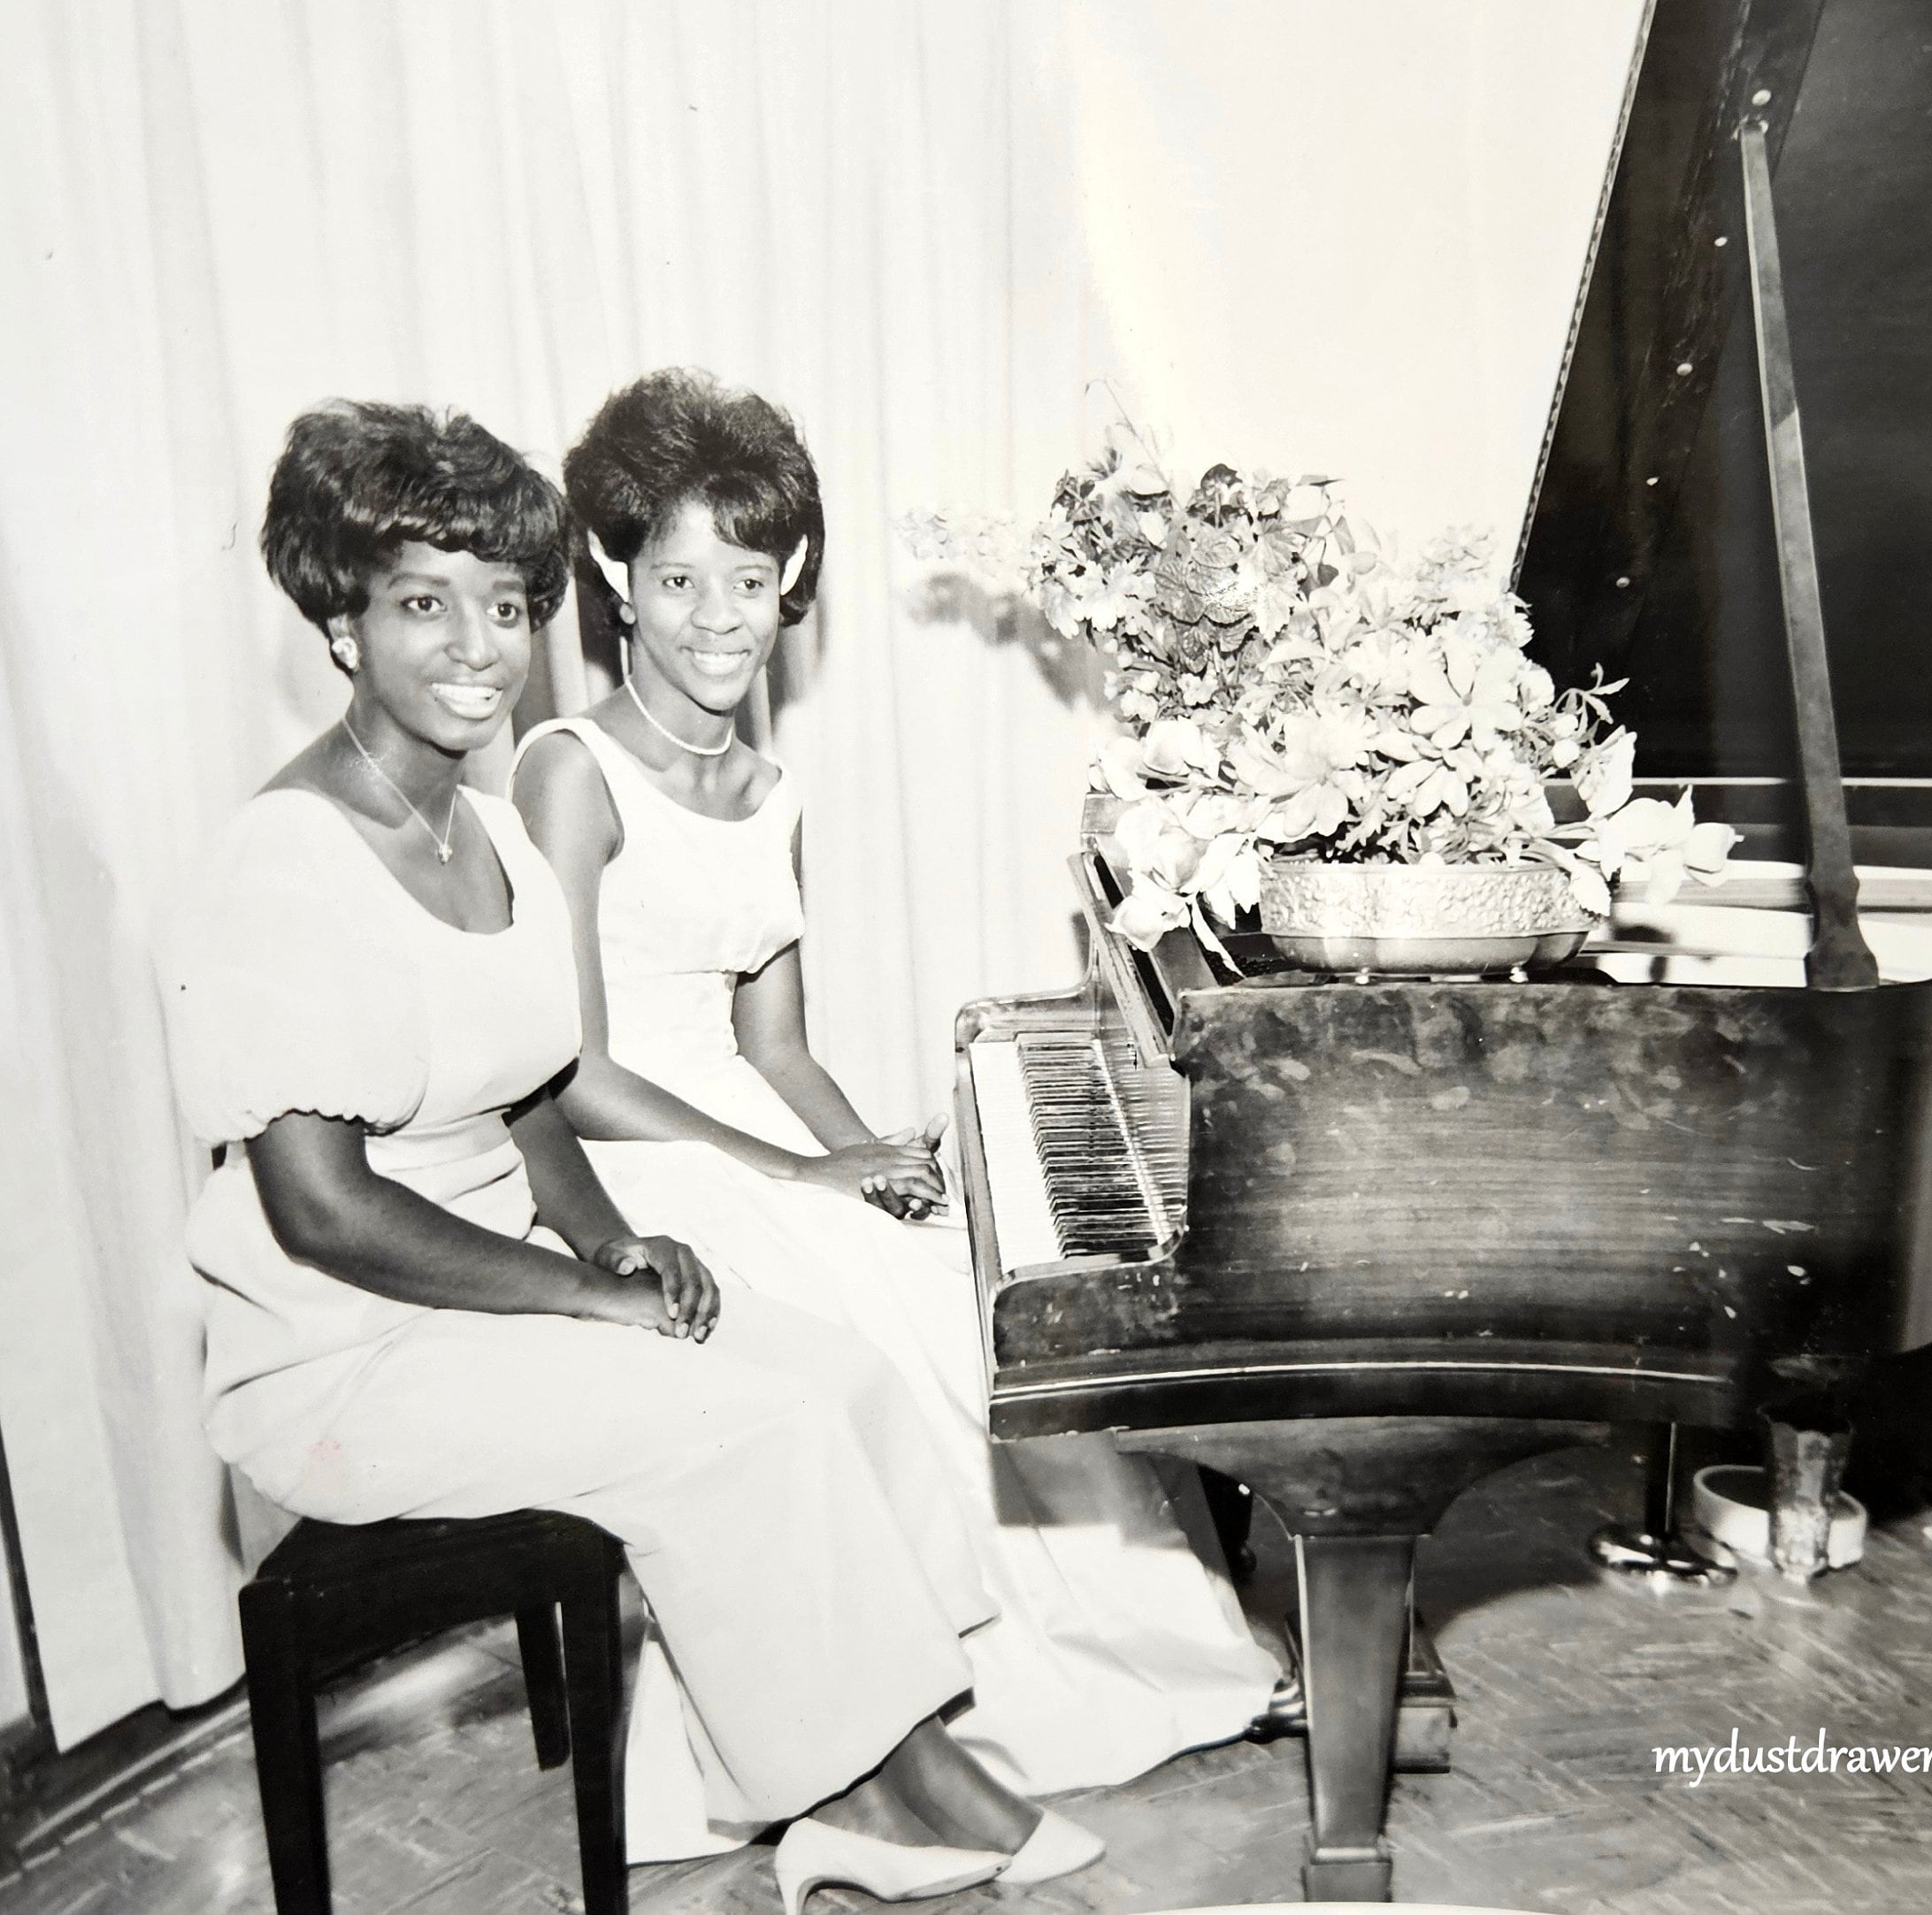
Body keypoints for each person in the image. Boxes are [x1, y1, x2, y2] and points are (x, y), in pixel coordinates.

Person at [163, 400, 1102, 1909]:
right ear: (340, 622)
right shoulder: (284, 860)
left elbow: (538, 1100)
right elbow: (323, 1211)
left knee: (841, 1375)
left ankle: (876, 1746)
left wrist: (607, 1243)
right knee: (750, 1430)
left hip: (485, 1290)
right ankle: (873, 1783)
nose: (477, 644)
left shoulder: (480, 833)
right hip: (339, 1355)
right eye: (422, 602)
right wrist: (589, 1299)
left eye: (506, 606)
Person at [509, 369, 1279, 1860]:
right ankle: (885, 1738)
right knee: (854, 1343)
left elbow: (781, 1043)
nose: (719, 618)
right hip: (617, 1159)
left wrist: (873, 1165)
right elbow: (571, 1067)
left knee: (969, 1291)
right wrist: (800, 1179)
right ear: (613, 576)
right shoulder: (571, 770)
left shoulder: (773, 787)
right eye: (677, 580)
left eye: (750, 577)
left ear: (791, 576)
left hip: (742, 1124)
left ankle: (1097, 1679)